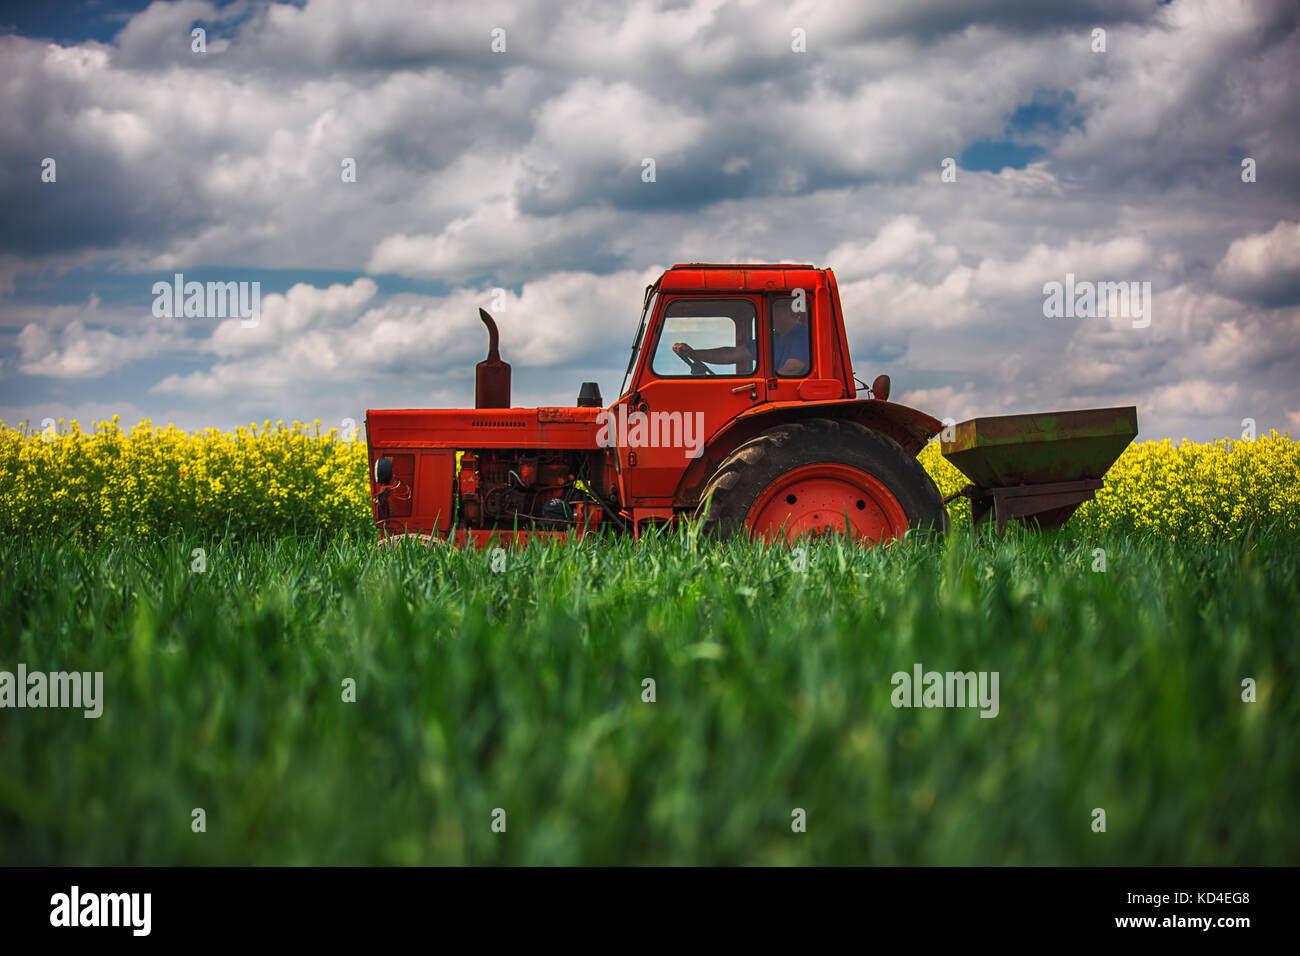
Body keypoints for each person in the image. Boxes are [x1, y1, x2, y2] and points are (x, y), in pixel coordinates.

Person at [672, 301, 810, 376]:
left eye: (775, 308)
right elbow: (732, 354)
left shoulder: (803, 334)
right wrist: (694, 354)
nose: (770, 313)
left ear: (789, 311)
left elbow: (792, 369)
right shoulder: (772, 339)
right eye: (771, 309)